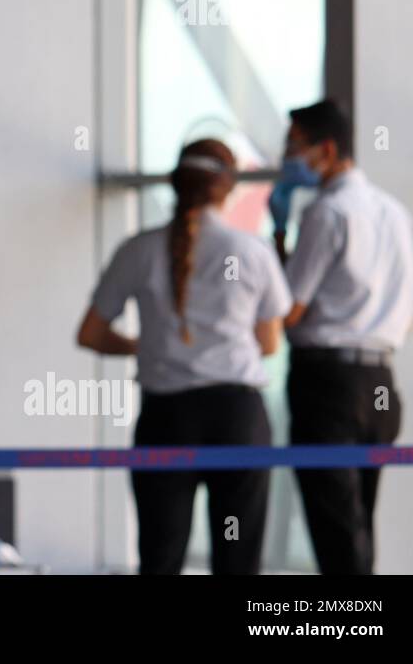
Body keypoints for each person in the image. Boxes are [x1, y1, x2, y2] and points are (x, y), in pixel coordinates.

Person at [78, 139, 291, 574]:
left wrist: (148, 346)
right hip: (237, 420)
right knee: (238, 558)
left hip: (167, 420)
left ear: (177, 183)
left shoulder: (138, 250)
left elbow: (92, 334)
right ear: (226, 186)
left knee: (160, 555)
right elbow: (269, 345)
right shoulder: (252, 251)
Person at [269, 99, 413, 574]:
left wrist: (278, 234)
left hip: (327, 386)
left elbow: (287, 311)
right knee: (358, 529)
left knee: (337, 535)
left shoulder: (327, 213)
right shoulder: (397, 215)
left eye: (294, 145)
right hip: (379, 385)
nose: (286, 156)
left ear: (327, 149)